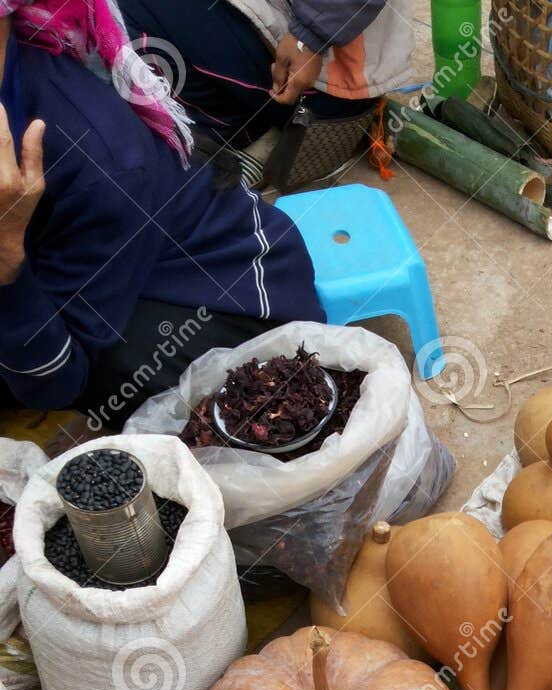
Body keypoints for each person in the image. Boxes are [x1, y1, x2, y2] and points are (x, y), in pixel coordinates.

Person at [0, 0, 323, 421]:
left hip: (230, 296)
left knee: (107, 376)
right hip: (109, 262)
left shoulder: (99, 160)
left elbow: (55, 384)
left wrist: (6, 256)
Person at [119, 1, 414, 151]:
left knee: (124, 9)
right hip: (310, 65)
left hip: (316, 83)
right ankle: (245, 128)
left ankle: (229, 136)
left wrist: (310, 37)